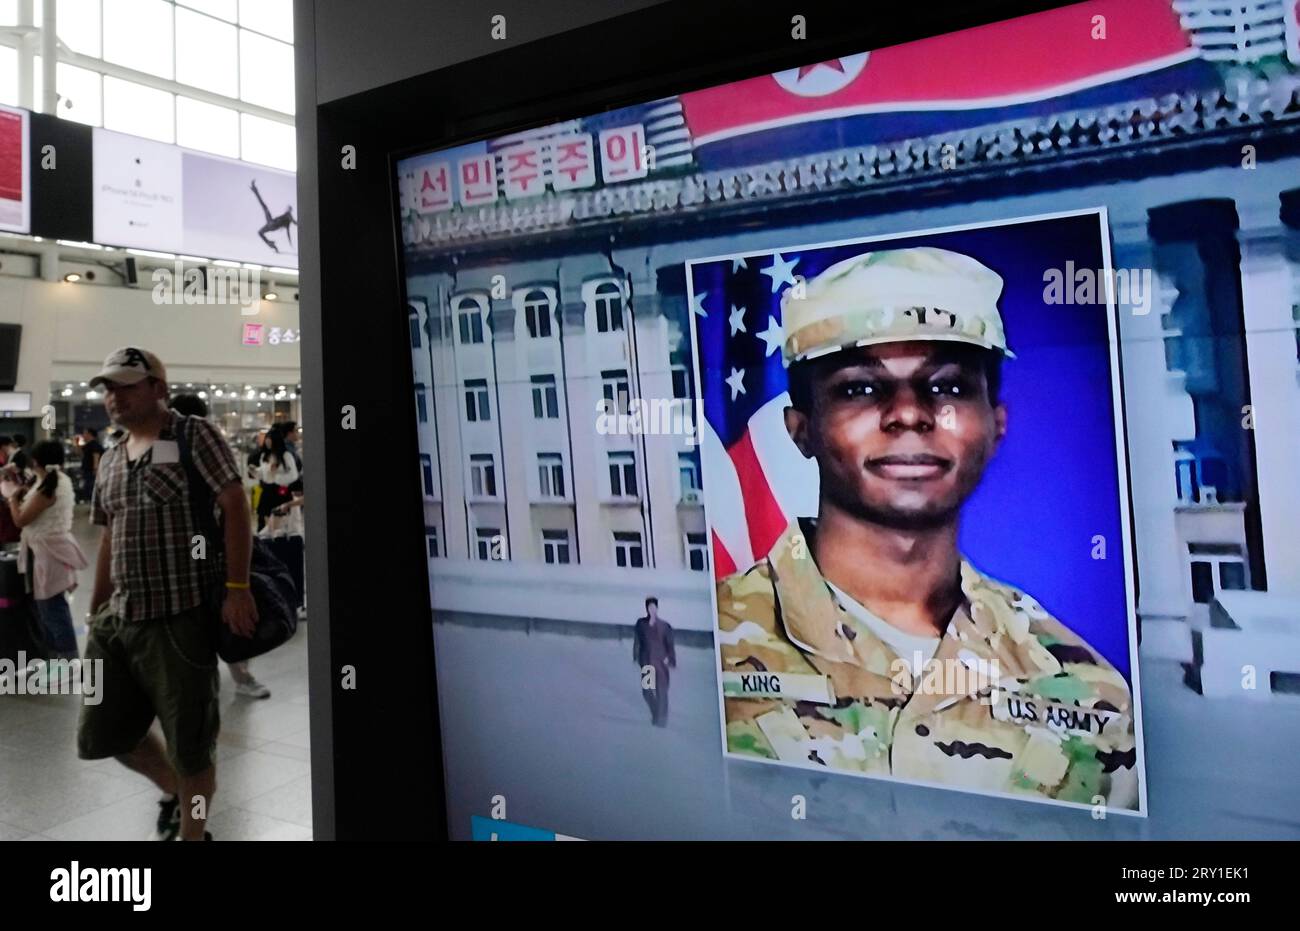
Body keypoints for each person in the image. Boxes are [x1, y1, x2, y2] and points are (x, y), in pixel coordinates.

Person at [716, 247, 1138, 809]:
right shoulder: (711, 646)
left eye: (947, 386)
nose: (909, 413)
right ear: (801, 429)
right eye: (860, 387)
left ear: (996, 426)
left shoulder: (1090, 692)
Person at [77, 347, 257, 841]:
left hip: (179, 616)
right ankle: (176, 790)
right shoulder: (112, 456)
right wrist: (95, 612)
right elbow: (109, 537)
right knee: (107, 734)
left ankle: (193, 834)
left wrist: (237, 588)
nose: (114, 397)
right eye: (108, 388)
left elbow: (235, 504)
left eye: (126, 386)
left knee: (192, 746)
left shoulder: (193, 435)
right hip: (119, 618)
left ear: (158, 387)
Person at [171, 392, 271, 700]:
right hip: (207, 539)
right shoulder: (183, 445)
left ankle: (237, 674)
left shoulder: (192, 443)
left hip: (200, 540)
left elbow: (233, 501)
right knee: (215, 608)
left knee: (215, 606)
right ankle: (240, 676)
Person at [6, 440, 87, 661]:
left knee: (52, 610)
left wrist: (12, 499)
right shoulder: (54, 480)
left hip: (47, 553)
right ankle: (58, 659)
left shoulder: (48, 488)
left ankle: (67, 661)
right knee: (49, 608)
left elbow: (20, 520)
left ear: (35, 461)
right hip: (48, 550)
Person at [633, 596, 675, 727]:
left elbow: (670, 644)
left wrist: (671, 659)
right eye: (649, 607)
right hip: (647, 662)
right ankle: (656, 713)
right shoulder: (641, 624)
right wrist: (636, 656)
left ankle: (662, 719)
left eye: (653, 607)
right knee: (647, 691)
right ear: (646, 608)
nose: (651, 610)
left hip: (660, 663)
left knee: (661, 691)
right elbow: (637, 641)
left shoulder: (664, 626)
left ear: (657, 608)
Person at [256, 428, 298, 531]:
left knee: (280, 523)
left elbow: (293, 475)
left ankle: (278, 538)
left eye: (269, 439)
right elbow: (263, 474)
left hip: (281, 491)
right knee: (265, 522)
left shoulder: (286, 456)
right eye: (267, 439)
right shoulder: (264, 456)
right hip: (267, 491)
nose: (267, 441)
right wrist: (255, 472)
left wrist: (277, 478)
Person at [78, 427, 104, 504]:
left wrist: (95, 469)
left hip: (91, 470)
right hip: (87, 470)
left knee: (91, 487)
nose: (83, 435)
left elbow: (96, 456)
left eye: (85, 433)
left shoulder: (94, 444)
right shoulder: (87, 445)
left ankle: (93, 502)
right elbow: (80, 454)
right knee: (88, 486)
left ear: (90, 434)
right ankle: (91, 502)